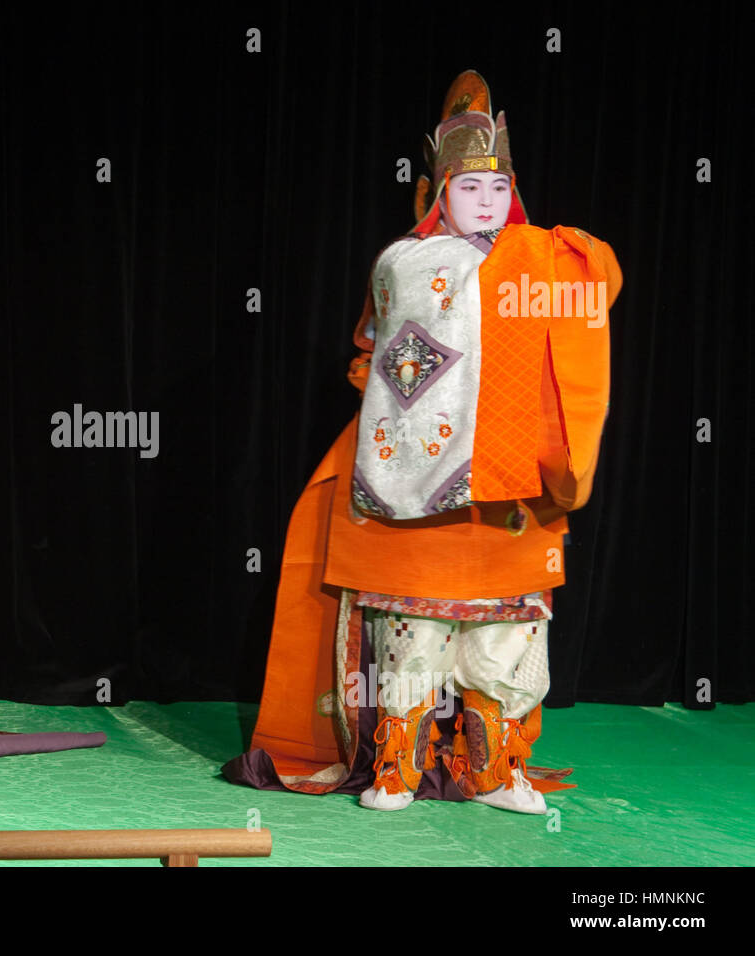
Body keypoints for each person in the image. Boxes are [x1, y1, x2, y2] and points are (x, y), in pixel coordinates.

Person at [225, 70, 622, 813]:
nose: (488, 203)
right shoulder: (405, 263)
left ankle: (494, 767)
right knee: (412, 637)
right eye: (470, 190)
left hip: (511, 489)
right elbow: (391, 347)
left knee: (504, 642)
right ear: (439, 195)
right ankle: (394, 766)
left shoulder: (537, 262)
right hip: (420, 483)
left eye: (499, 189)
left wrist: (565, 255)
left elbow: (595, 285)